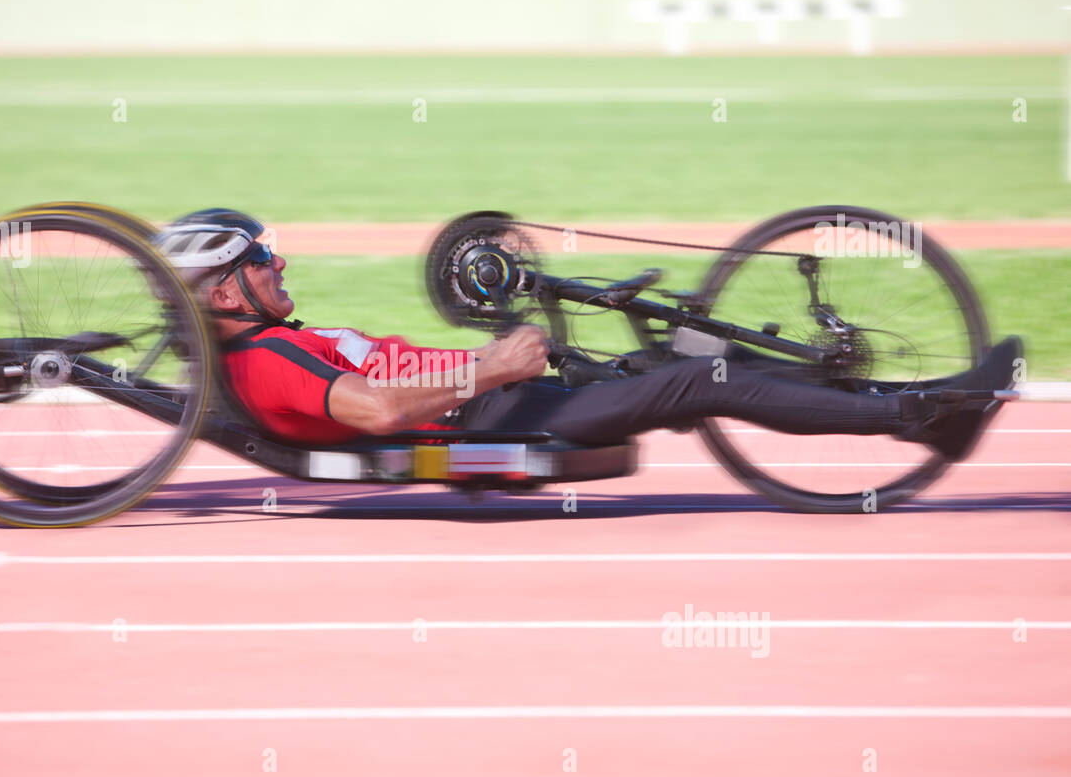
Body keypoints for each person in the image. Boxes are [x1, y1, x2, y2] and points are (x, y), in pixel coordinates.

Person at [152, 209, 1020, 460]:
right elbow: (377, 411)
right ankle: (921, 418)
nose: (279, 263)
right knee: (697, 382)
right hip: (493, 424)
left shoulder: (276, 341)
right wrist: (492, 369)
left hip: (505, 395)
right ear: (223, 288)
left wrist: (496, 360)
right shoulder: (265, 362)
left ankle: (916, 400)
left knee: (697, 350)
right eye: (260, 259)